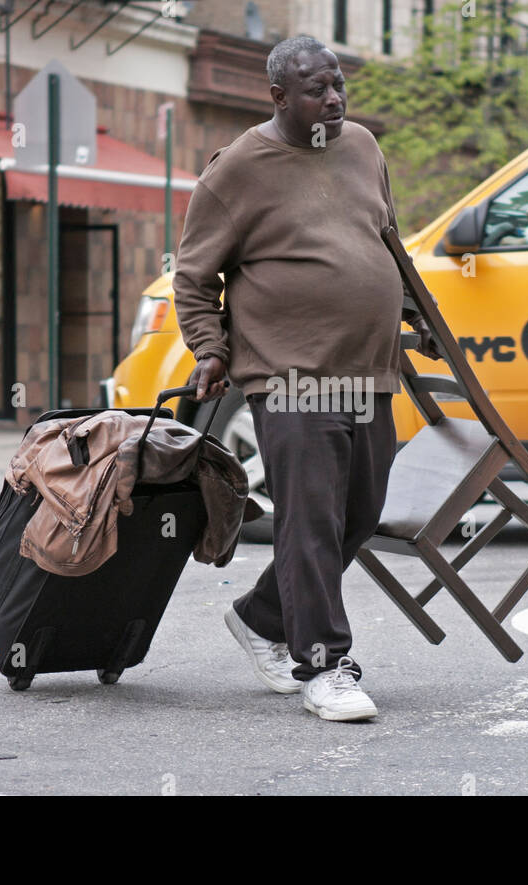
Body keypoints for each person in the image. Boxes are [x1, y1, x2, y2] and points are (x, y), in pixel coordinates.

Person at [174, 35, 441, 722]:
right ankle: (323, 664)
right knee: (311, 514)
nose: (334, 98)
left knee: (359, 511)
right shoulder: (235, 170)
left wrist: (420, 316)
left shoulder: (363, 147)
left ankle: (262, 617)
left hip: (367, 369)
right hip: (286, 373)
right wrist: (208, 349)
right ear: (278, 97)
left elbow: (386, 242)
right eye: (318, 89)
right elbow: (194, 278)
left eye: (338, 85)